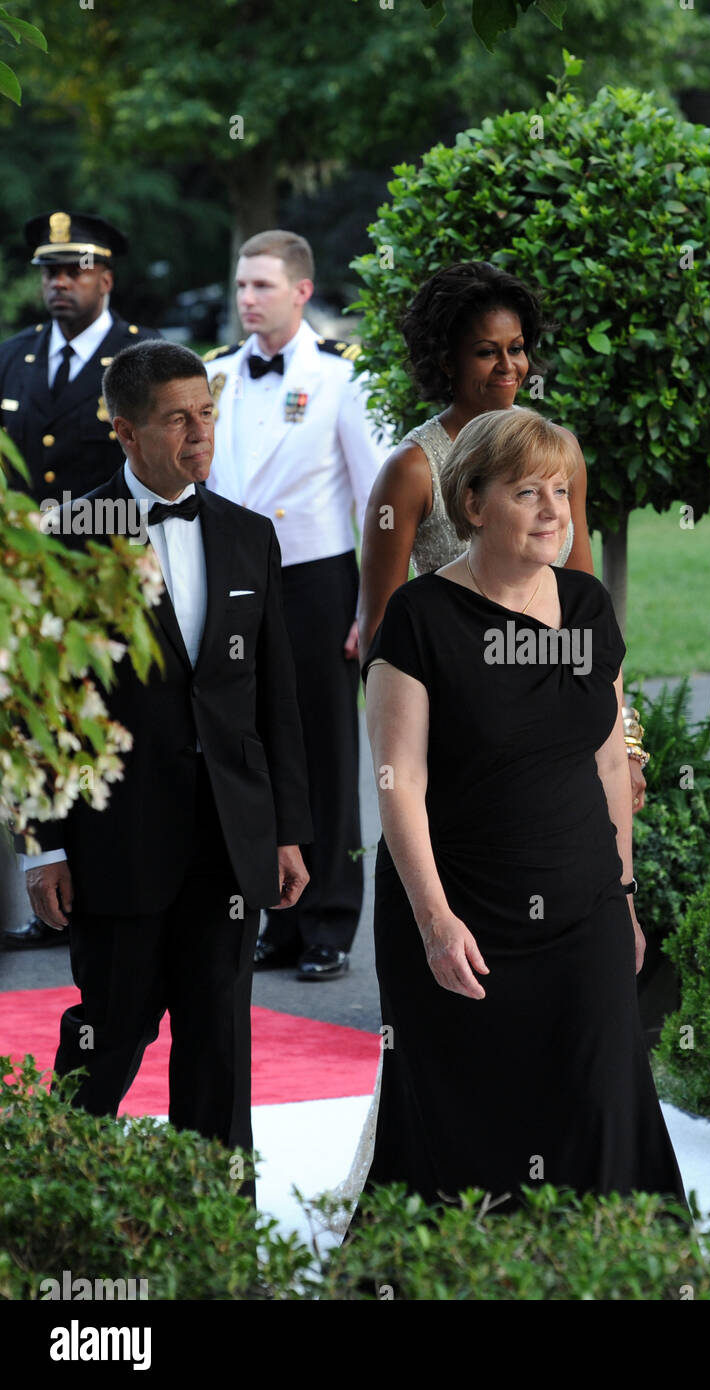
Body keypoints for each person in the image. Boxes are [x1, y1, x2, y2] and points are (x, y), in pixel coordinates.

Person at [345, 407, 684, 1213]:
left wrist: (625, 898)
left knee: (601, 1110)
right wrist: (434, 922)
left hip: (585, 909)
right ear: (471, 504)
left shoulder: (587, 606)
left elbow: (607, 757)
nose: (552, 511)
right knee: (469, 1127)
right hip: (461, 915)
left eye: (560, 492)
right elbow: (399, 783)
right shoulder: (420, 618)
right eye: (526, 491)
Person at [19, 340, 312, 1182]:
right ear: (125, 431)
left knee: (219, 1042)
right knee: (111, 1033)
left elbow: (274, 700)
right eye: (177, 419)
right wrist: (45, 844)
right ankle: (53, 1206)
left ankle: (220, 1232)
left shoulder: (248, 535)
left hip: (229, 835)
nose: (199, 434)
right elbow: (39, 711)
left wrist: (288, 830)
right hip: (116, 838)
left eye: (207, 413)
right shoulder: (67, 535)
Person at [355, 261, 650, 812]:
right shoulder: (411, 470)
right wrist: (404, 764)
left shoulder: (559, 451)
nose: (508, 365)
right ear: (446, 359)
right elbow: (379, 632)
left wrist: (623, 738)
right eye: (486, 351)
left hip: (560, 718)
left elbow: (587, 611)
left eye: (516, 348)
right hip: (461, 727)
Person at [204, 230, 382, 980]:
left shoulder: (344, 377)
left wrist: (371, 607)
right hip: (232, 584)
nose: (247, 300)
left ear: (302, 291)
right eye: (241, 286)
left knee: (325, 755)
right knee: (252, 751)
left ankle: (330, 924)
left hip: (316, 584)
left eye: (262, 287)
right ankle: (275, 914)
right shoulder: (213, 376)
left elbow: (378, 501)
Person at [1, 209, 160, 950]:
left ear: (106, 277)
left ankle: (111, 885)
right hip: (31, 595)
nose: (57, 283)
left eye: (73, 270)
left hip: (109, 588)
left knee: (110, 735)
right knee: (34, 735)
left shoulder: (141, 362)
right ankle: (44, 889)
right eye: (48, 272)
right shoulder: (15, 358)